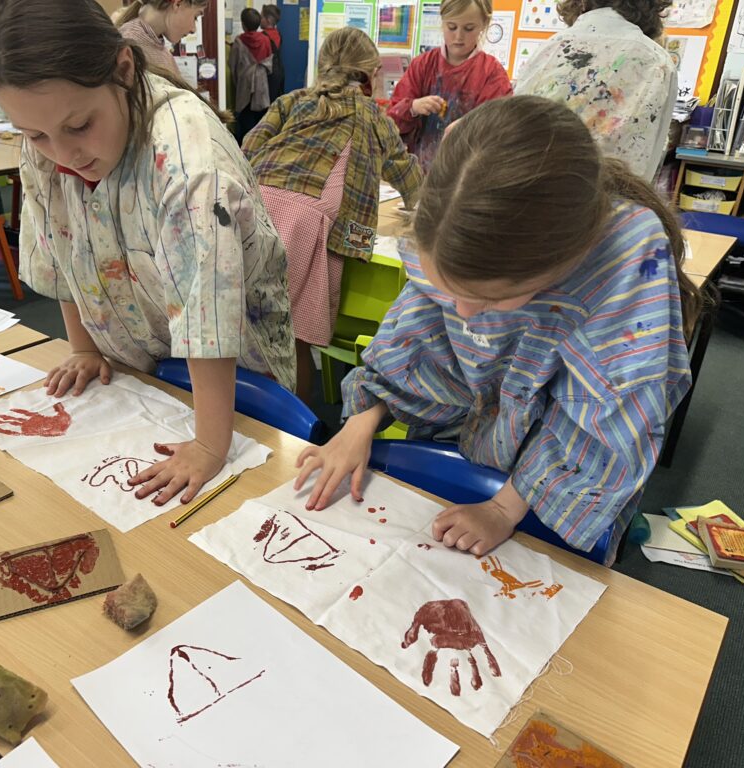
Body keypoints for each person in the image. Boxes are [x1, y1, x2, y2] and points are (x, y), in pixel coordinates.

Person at [295, 96, 699, 565]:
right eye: (449, 292)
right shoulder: (455, 220)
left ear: (562, 260)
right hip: (477, 441)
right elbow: (415, 338)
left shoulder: (624, 260)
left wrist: (503, 509)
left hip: (557, 477)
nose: (464, 314)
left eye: (489, 301)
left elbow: (611, 418)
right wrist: (359, 425)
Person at [0, 0, 295, 506]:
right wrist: (82, 348)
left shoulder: (189, 160)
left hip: (237, 389)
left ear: (124, 69)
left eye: (79, 126)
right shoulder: (47, 148)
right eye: (35, 133)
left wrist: (211, 444)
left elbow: (206, 310)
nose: (64, 154)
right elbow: (63, 249)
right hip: (137, 372)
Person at [243, 27, 422, 403]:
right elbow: (407, 175)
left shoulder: (293, 100)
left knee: (251, 328)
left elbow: (250, 145)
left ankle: (248, 412)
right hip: (307, 224)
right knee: (296, 341)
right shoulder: (371, 115)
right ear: (370, 73)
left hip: (255, 211)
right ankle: (296, 431)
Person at [514, 0, 677, 182]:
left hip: (533, 188)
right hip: (610, 198)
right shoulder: (656, 60)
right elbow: (646, 163)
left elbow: (515, 133)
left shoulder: (549, 48)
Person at [387, 0, 511, 172]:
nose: (459, 37)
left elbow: (501, 128)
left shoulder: (491, 73)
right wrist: (413, 107)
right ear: (442, 22)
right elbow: (390, 122)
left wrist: (471, 125)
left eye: (469, 29)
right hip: (419, 173)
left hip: (467, 177)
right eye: (452, 27)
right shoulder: (423, 65)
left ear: (484, 24)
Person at [116, 0, 208, 77]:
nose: (193, 29)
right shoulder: (129, 45)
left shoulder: (160, 49)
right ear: (178, 3)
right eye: (195, 17)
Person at [230, 8, 272, 144]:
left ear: (243, 24)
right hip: (262, 89)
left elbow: (233, 66)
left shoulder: (238, 42)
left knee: (244, 128)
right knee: (260, 127)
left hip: (245, 89)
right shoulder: (266, 40)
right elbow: (270, 65)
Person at [260, 4, 284, 102]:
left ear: (268, 20)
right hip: (279, 72)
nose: (259, 20)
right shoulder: (278, 34)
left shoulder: (262, 37)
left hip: (268, 74)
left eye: (261, 17)